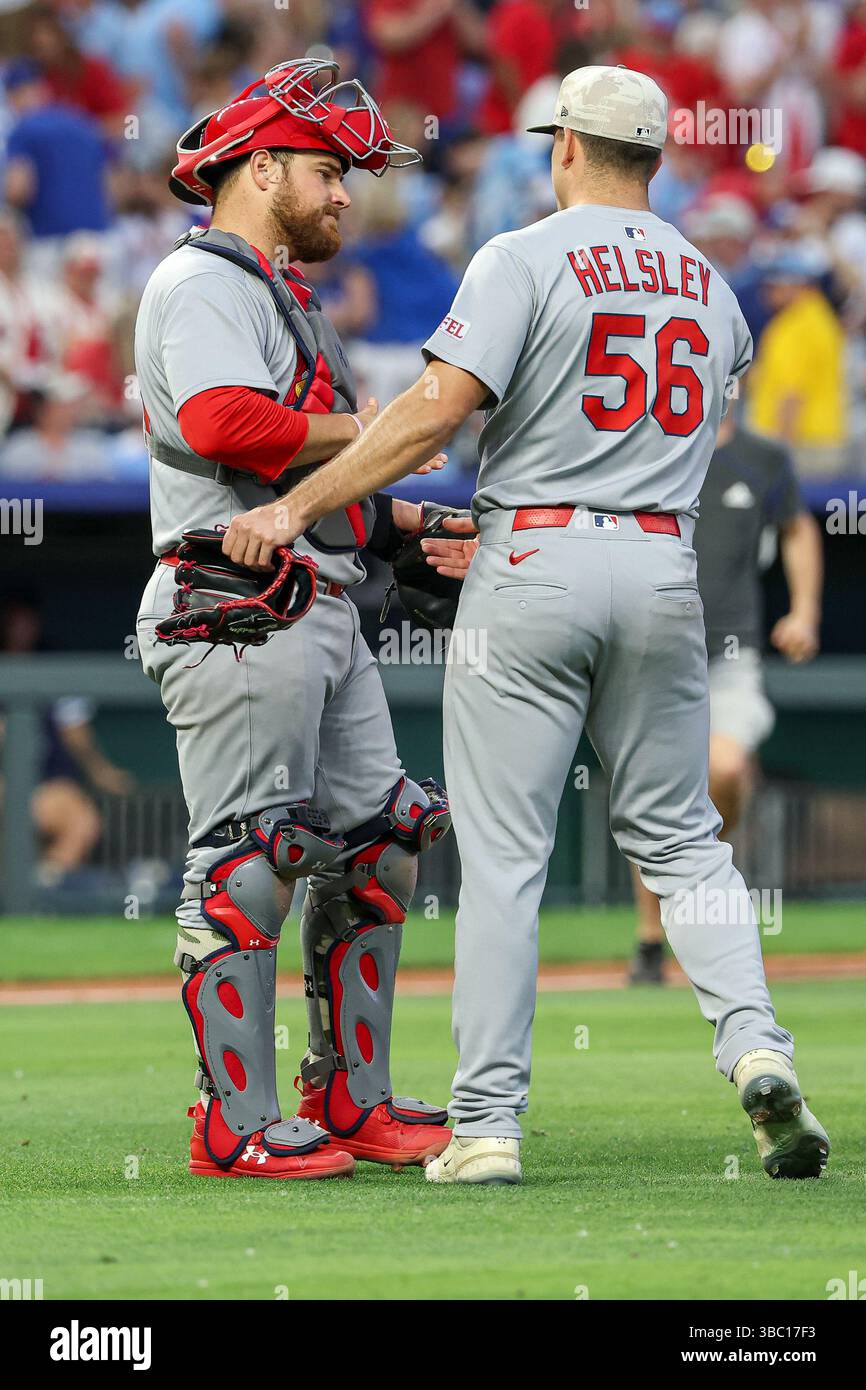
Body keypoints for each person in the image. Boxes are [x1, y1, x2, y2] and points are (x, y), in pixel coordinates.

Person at [222, 64, 832, 1187]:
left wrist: (299, 502)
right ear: (648, 158)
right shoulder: (711, 286)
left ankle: (487, 1123)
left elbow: (438, 412)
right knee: (683, 836)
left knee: (505, 860)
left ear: (563, 148)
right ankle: (754, 1046)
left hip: (537, 558)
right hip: (662, 562)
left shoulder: (521, 255)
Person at [134, 59, 454, 1182]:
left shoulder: (276, 292)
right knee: (248, 859)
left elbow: (303, 466)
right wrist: (378, 431)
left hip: (311, 593)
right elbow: (226, 422)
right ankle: (233, 1120)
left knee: (383, 836)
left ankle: (349, 1098)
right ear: (258, 165)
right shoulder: (202, 279)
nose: (341, 195)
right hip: (231, 602)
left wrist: (401, 518)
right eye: (324, 170)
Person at [629, 409, 824, 985]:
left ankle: (708, 869)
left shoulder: (762, 458)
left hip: (729, 654)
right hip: (652, 648)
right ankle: (649, 942)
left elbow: (798, 527)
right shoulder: (646, 443)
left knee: (726, 768)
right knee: (651, 796)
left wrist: (805, 611)